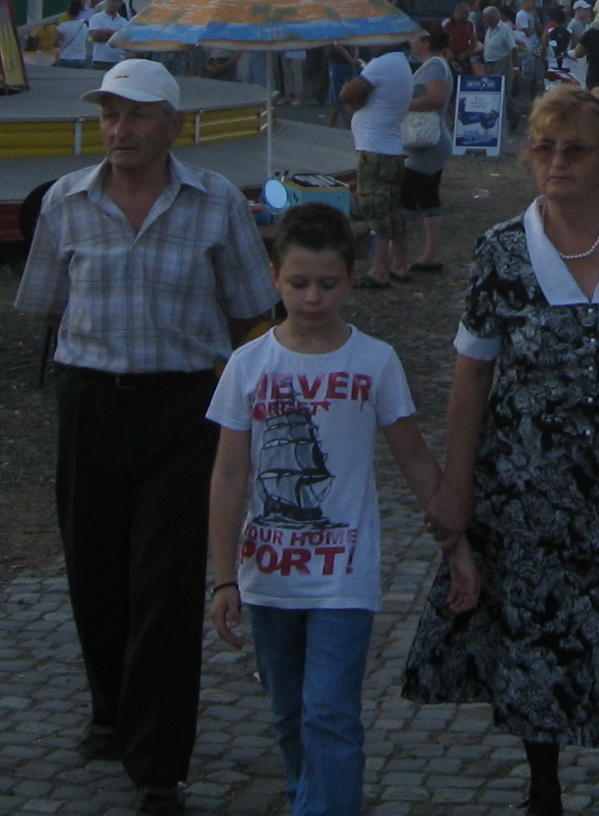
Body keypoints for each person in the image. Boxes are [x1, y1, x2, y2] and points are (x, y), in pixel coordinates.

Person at [403, 86, 599, 816]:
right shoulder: (503, 251)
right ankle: (544, 791)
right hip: (521, 487)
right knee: (533, 639)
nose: (557, 161)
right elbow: (472, 373)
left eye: (576, 148)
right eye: (544, 147)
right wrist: (455, 486)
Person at [15, 58, 280, 815]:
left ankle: (159, 762)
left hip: (184, 408)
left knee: (164, 583)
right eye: (109, 116)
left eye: (135, 116)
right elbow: (47, 306)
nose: (119, 130)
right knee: (93, 566)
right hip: (91, 402)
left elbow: (247, 307)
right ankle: (110, 709)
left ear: (174, 125)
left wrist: (218, 386)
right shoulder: (66, 202)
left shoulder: (216, 201)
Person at [206, 202, 476, 816]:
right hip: (267, 579)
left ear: (352, 280)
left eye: (328, 285)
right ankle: (313, 794)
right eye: (298, 283)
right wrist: (224, 577)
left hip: (342, 579)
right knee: (289, 712)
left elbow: (413, 458)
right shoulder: (249, 367)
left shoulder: (373, 361)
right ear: (274, 277)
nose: (312, 298)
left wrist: (455, 544)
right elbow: (229, 475)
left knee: (331, 713)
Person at [340, 43, 415, 288]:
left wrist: (356, 98)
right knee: (394, 209)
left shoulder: (381, 64)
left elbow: (346, 94)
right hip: (391, 148)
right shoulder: (401, 63)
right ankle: (399, 264)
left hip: (374, 149)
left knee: (376, 209)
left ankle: (379, 269)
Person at [401, 25, 453, 276]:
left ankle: (394, 258)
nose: (410, 41)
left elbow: (436, 97)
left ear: (425, 41)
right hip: (434, 141)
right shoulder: (438, 64)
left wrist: (405, 105)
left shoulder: (433, 66)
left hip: (426, 143)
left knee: (407, 196)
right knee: (428, 197)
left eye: (414, 37)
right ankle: (431, 255)